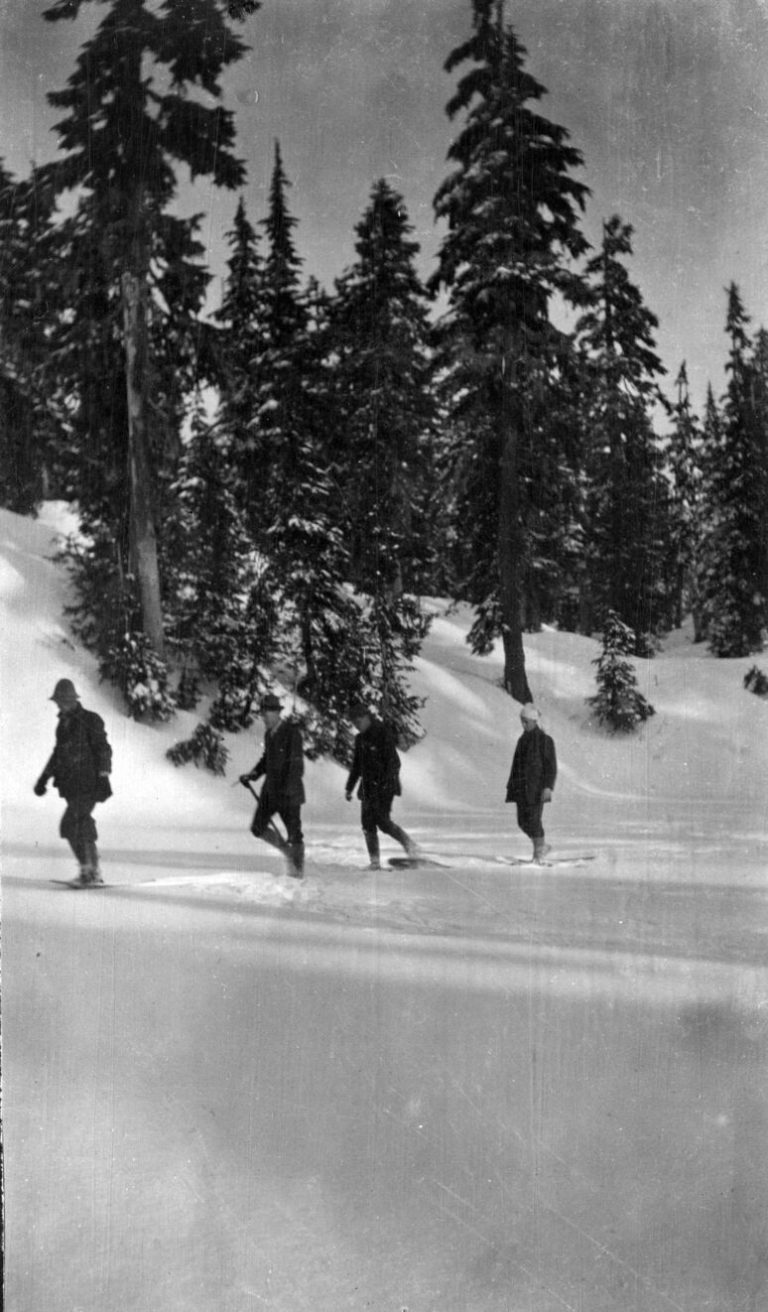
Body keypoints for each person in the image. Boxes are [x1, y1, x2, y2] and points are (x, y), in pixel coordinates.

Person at [34, 677, 113, 885]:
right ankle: (90, 871)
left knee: (71, 824)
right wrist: (44, 777)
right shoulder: (62, 725)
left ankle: (91, 871)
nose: (58, 704)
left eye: (61, 700)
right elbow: (58, 754)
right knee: (80, 824)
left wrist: (104, 776)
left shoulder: (90, 720)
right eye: (57, 701)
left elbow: (103, 749)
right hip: (71, 786)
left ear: (71, 699)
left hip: (90, 784)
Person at [240, 693, 305, 878]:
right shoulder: (269, 734)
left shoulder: (292, 733)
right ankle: (287, 852)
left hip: (289, 794)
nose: (265, 717)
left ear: (277, 713)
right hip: (270, 791)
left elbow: (296, 765)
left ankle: (298, 872)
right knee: (257, 828)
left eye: (268, 712)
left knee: (295, 835)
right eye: (263, 713)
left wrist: (288, 788)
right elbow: (266, 759)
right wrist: (253, 774)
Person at [345, 703, 417, 870]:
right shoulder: (360, 739)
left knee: (382, 822)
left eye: (359, 721)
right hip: (368, 787)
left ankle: (410, 845)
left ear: (366, 718)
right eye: (354, 722)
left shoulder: (382, 733)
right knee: (367, 823)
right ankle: (374, 862)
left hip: (385, 786)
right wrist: (349, 788)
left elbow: (395, 763)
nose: (357, 725)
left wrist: (384, 783)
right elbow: (357, 766)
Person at [505, 703, 557, 863]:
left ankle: (538, 853)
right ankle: (542, 846)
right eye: (522, 721)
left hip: (537, 789)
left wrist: (548, 787)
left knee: (534, 820)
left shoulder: (545, 740)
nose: (523, 724)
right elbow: (516, 765)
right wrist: (511, 786)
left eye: (526, 721)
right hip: (521, 789)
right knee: (522, 822)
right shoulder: (522, 740)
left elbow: (551, 766)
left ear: (534, 721)